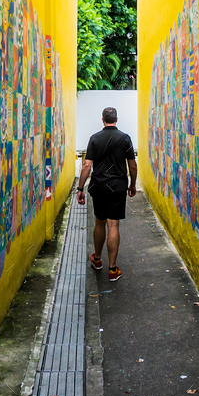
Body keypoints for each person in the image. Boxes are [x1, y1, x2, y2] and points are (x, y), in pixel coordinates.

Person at [76, 106, 137, 282]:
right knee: (113, 226)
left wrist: (80, 189)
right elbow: (132, 166)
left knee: (99, 222)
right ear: (116, 119)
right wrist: (132, 184)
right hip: (117, 187)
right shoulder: (125, 139)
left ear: (102, 120)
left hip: (99, 186)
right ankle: (112, 269)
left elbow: (87, 165)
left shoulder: (94, 138)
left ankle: (97, 259)